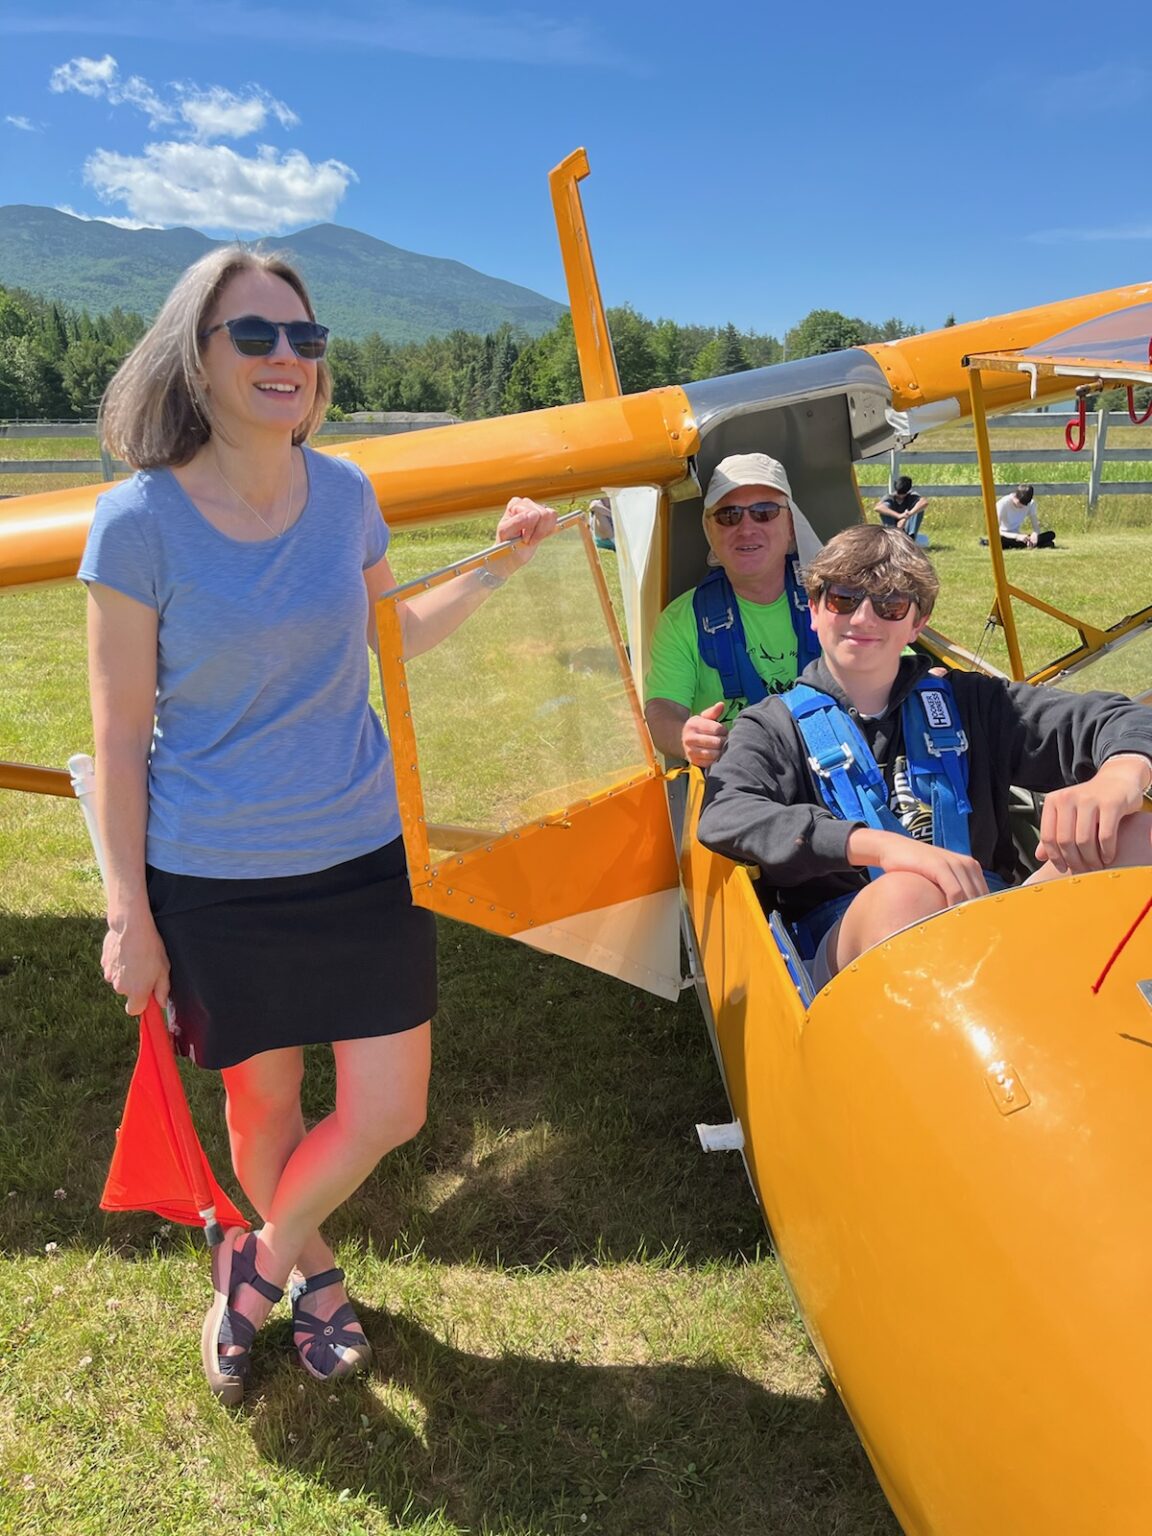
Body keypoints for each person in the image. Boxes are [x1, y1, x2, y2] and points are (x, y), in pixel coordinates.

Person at [80, 246, 557, 1404]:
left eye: (306, 337)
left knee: (392, 1108)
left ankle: (254, 1260)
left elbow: (390, 636)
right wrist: (128, 914)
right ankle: (314, 1275)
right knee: (267, 1106)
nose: (288, 357)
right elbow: (122, 740)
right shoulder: (133, 523)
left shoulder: (343, 494)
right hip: (218, 878)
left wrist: (497, 565)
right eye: (256, 336)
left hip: (360, 854)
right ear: (196, 354)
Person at [697, 525, 1152, 992]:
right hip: (851, 953)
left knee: (1140, 834)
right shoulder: (770, 726)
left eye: (890, 604)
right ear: (814, 610)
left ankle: (1097, 1011)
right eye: (844, 599)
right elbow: (726, 814)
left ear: (918, 622)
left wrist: (1118, 778)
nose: (864, 618)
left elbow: (1113, 719)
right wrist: (879, 846)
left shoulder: (973, 703)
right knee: (905, 892)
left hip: (988, 912)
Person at [644, 453, 822, 768]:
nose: (746, 528)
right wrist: (685, 735)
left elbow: (891, 664)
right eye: (728, 516)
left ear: (792, 525)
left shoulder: (836, 596)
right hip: (744, 781)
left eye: (764, 512)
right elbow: (662, 710)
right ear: (709, 531)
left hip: (836, 763)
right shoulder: (681, 619)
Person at [995, 484, 1055, 548]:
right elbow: (995, 531)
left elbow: (1036, 527)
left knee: (1051, 534)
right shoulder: (1002, 504)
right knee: (1000, 540)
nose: (1021, 507)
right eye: (1019, 503)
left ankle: (1030, 543)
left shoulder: (1031, 504)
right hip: (1004, 535)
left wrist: (1035, 534)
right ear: (1015, 496)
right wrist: (1016, 536)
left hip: (1019, 536)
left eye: (1024, 505)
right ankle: (1038, 544)